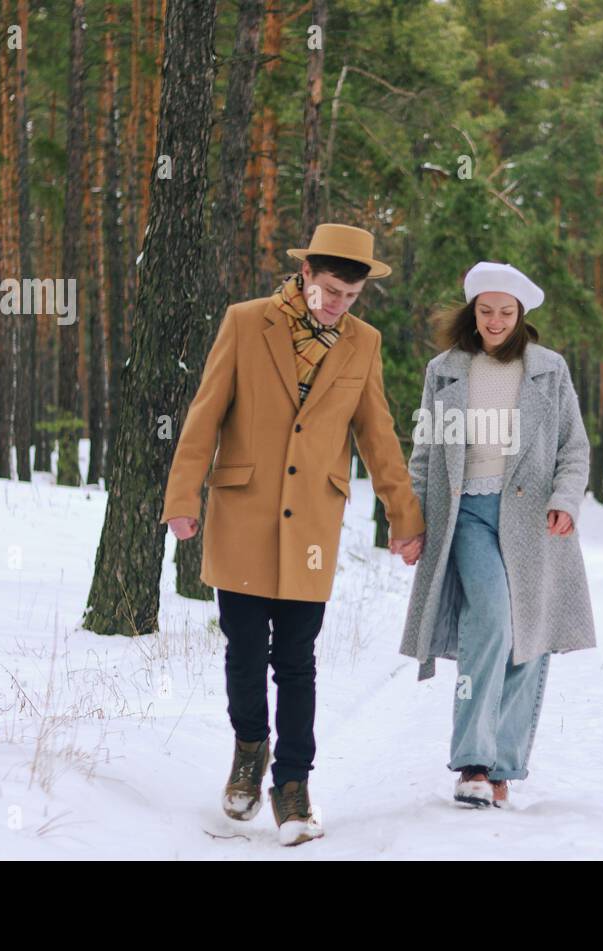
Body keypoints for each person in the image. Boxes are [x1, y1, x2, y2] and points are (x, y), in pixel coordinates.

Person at [160, 223, 426, 845]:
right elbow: (205, 413)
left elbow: (378, 434)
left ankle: (294, 784)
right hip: (243, 511)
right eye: (329, 290)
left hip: (311, 521)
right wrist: (181, 495)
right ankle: (250, 749)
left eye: (349, 297)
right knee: (245, 647)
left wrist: (404, 515)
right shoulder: (247, 322)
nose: (336, 305)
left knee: (298, 660)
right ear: (305, 274)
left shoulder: (363, 345)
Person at [400, 261, 596, 809]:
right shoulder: (445, 370)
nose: (494, 321)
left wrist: (565, 500)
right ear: (472, 312)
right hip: (466, 514)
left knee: (527, 634)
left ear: (521, 315)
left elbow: (573, 448)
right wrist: (413, 520)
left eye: (505, 312)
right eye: (485, 311)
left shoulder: (548, 370)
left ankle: (505, 766)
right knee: (489, 619)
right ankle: (473, 763)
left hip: (532, 518)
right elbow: (424, 453)